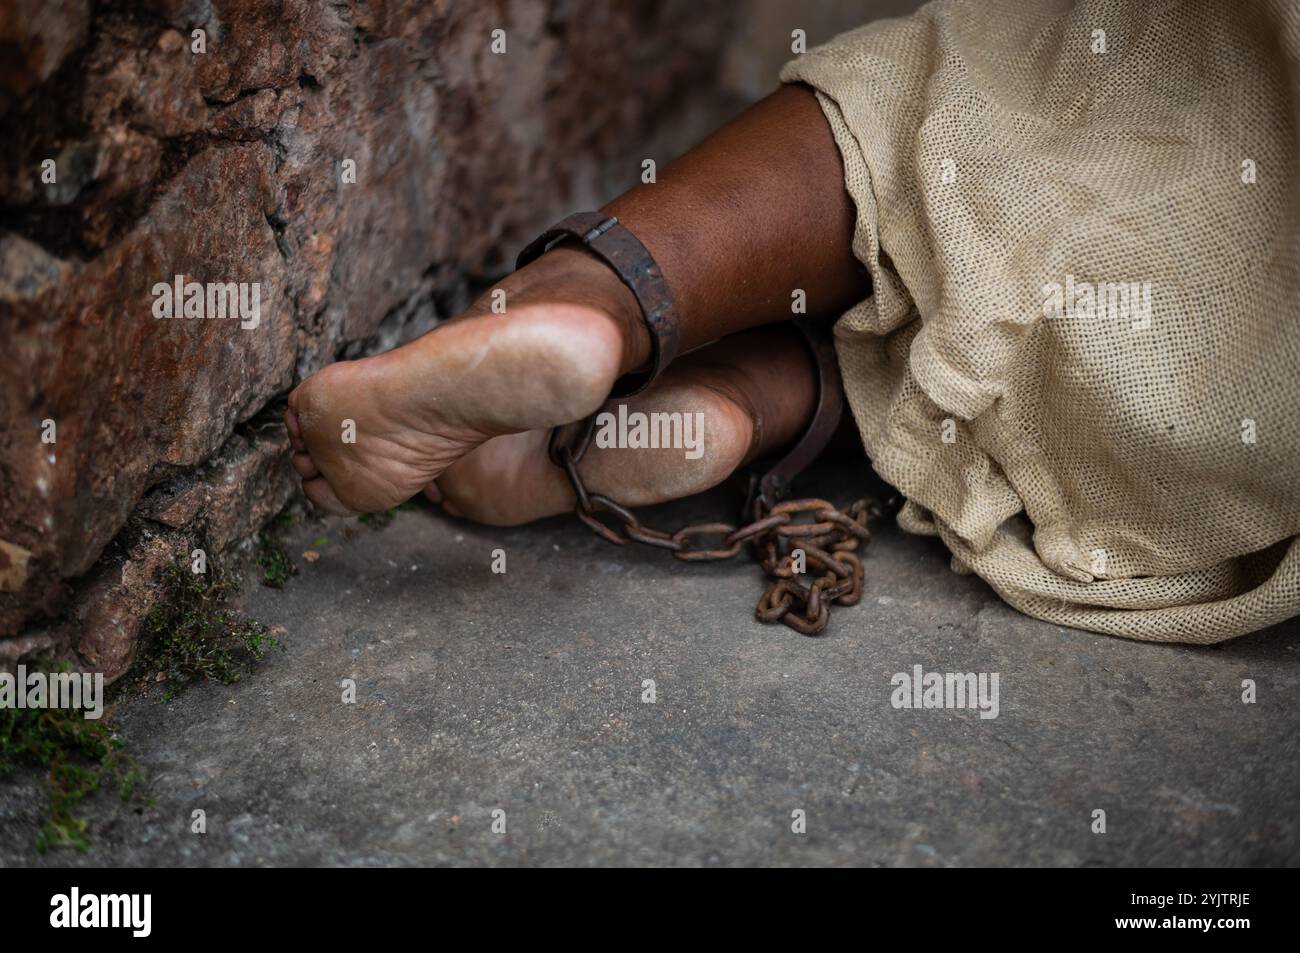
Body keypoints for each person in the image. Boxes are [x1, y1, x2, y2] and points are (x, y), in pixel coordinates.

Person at [286, 0, 1299, 643]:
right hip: (1233, 442)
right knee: (1170, 323)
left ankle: (589, 303)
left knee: (1053, 96)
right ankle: (749, 399)